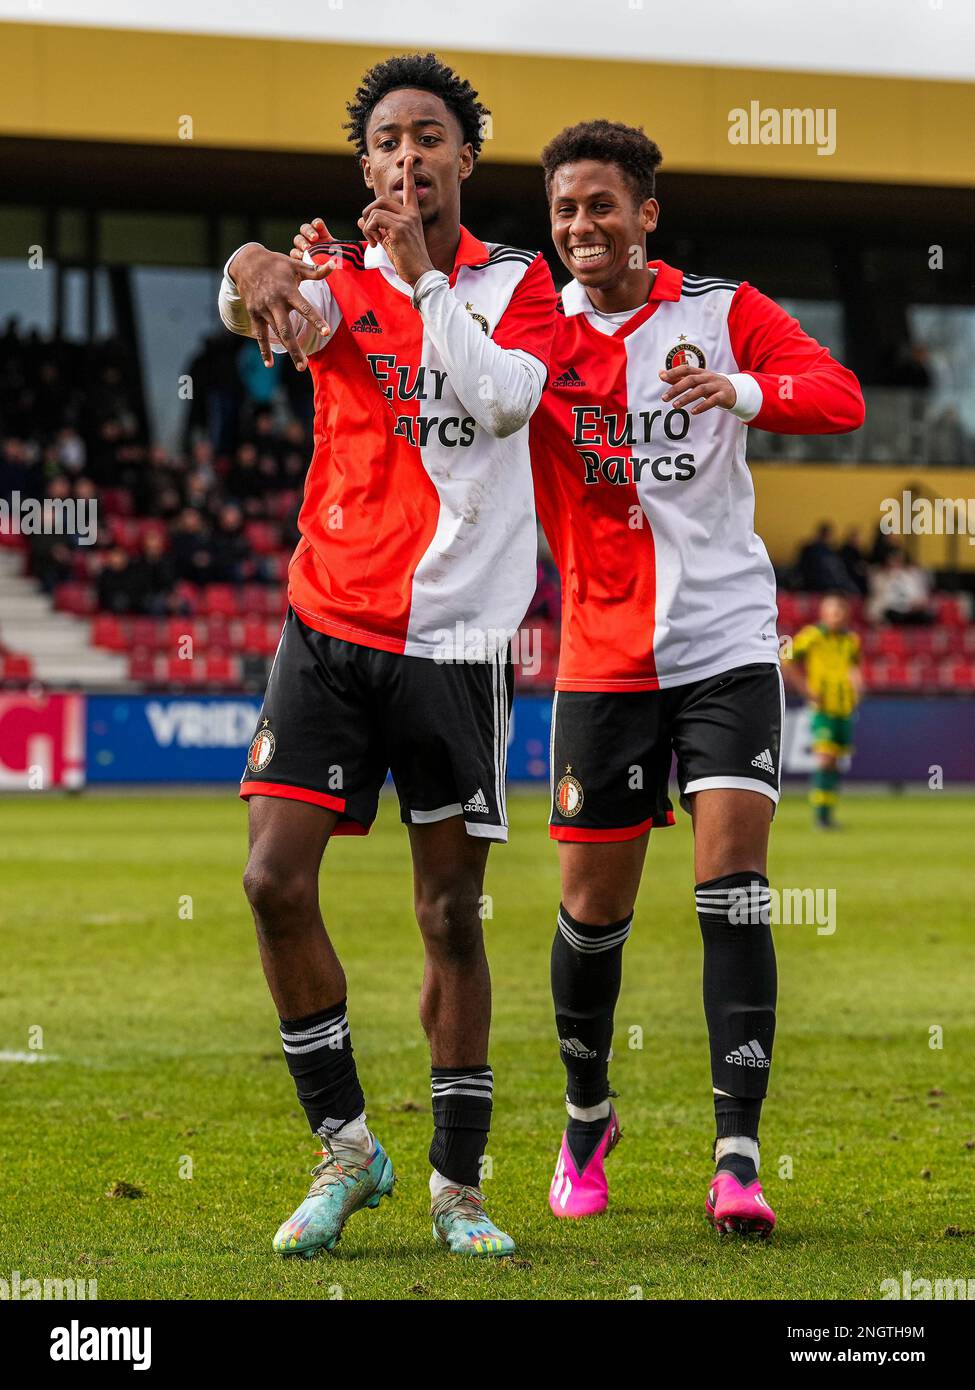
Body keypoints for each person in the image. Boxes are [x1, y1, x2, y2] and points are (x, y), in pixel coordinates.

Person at [292, 119, 865, 1240]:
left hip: (728, 646)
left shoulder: (723, 310)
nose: (581, 227)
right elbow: (454, 384)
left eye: (603, 205)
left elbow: (837, 396)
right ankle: (586, 1115)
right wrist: (304, 265)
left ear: (647, 213)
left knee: (732, 883)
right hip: (601, 661)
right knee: (591, 914)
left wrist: (742, 390)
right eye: (563, 211)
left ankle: (737, 1158)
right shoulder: (536, 324)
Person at [218, 53, 556, 1260]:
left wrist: (418, 282)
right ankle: (348, 1150)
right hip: (328, 622)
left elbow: (503, 398)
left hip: (458, 642)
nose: (406, 158)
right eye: (386, 144)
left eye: (429, 138)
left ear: (466, 156)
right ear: (366, 167)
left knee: (449, 912)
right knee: (270, 879)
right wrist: (251, 268)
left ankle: (458, 1187)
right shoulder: (337, 271)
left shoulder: (520, 284)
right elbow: (253, 305)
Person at [782, 593, 862, 828]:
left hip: (844, 708)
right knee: (825, 759)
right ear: (823, 614)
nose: (836, 616)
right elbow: (786, 656)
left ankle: (828, 813)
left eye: (840, 611)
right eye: (832, 611)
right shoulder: (812, 636)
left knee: (835, 762)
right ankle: (820, 816)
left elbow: (854, 667)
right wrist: (805, 687)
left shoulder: (851, 640)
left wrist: (858, 687)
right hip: (823, 708)